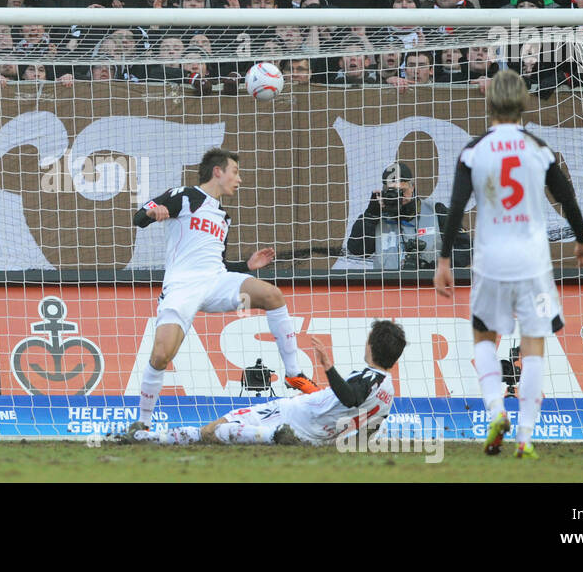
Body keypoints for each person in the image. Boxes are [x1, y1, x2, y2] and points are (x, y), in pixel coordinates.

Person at [433, 69, 583, 460]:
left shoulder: (474, 151)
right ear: (524, 102)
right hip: (533, 263)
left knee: (484, 338)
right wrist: (581, 239)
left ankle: (495, 410)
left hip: (490, 263)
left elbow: (456, 207)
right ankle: (525, 435)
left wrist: (443, 258)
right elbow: (566, 196)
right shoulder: (538, 149)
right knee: (534, 343)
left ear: (489, 103)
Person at [125, 148, 317, 439]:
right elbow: (139, 217)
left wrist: (246, 266)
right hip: (182, 287)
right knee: (162, 356)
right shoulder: (184, 196)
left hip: (216, 282)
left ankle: (294, 374)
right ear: (218, 171)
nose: (238, 180)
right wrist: (153, 213)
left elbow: (218, 263)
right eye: (235, 172)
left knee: (273, 296)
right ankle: (142, 422)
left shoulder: (222, 218)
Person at [115, 320, 407, 446]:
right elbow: (358, 417)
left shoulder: (368, 377)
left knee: (216, 430)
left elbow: (350, 398)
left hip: (293, 415)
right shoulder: (388, 391)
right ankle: (277, 436)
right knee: (222, 432)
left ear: (371, 345)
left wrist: (328, 366)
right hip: (314, 432)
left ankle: (142, 437)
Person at [347, 161, 471, 270]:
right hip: (386, 291)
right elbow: (356, 250)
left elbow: (466, 249)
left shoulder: (436, 211)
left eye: (402, 191)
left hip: (430, 290)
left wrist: (432, 268)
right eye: (393, 192)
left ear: (412, 187)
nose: (399, 197)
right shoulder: (377, 217)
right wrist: (370, 215)